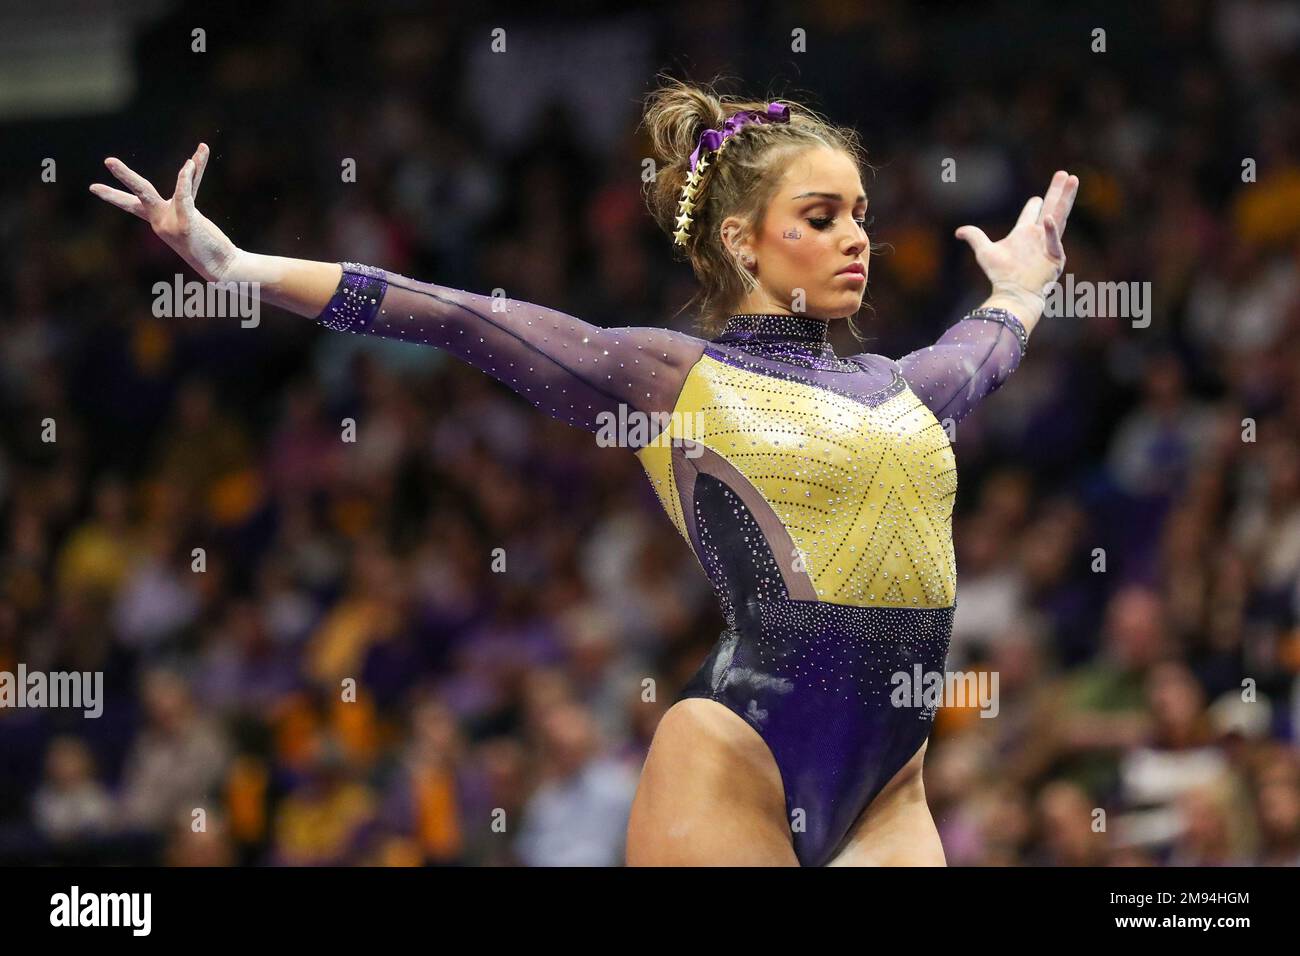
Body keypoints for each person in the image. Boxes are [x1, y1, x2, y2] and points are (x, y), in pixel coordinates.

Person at [90, 78, 1077, 866]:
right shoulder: (672, 377)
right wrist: (238, 264)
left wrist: (1022, 287)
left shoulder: (902, 388)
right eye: (819, 216)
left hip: (888, 783)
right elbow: (458, 316)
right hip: (736, 754)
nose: (856, 235)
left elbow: (984, 350)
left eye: (858, 212)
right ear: (740, 239)